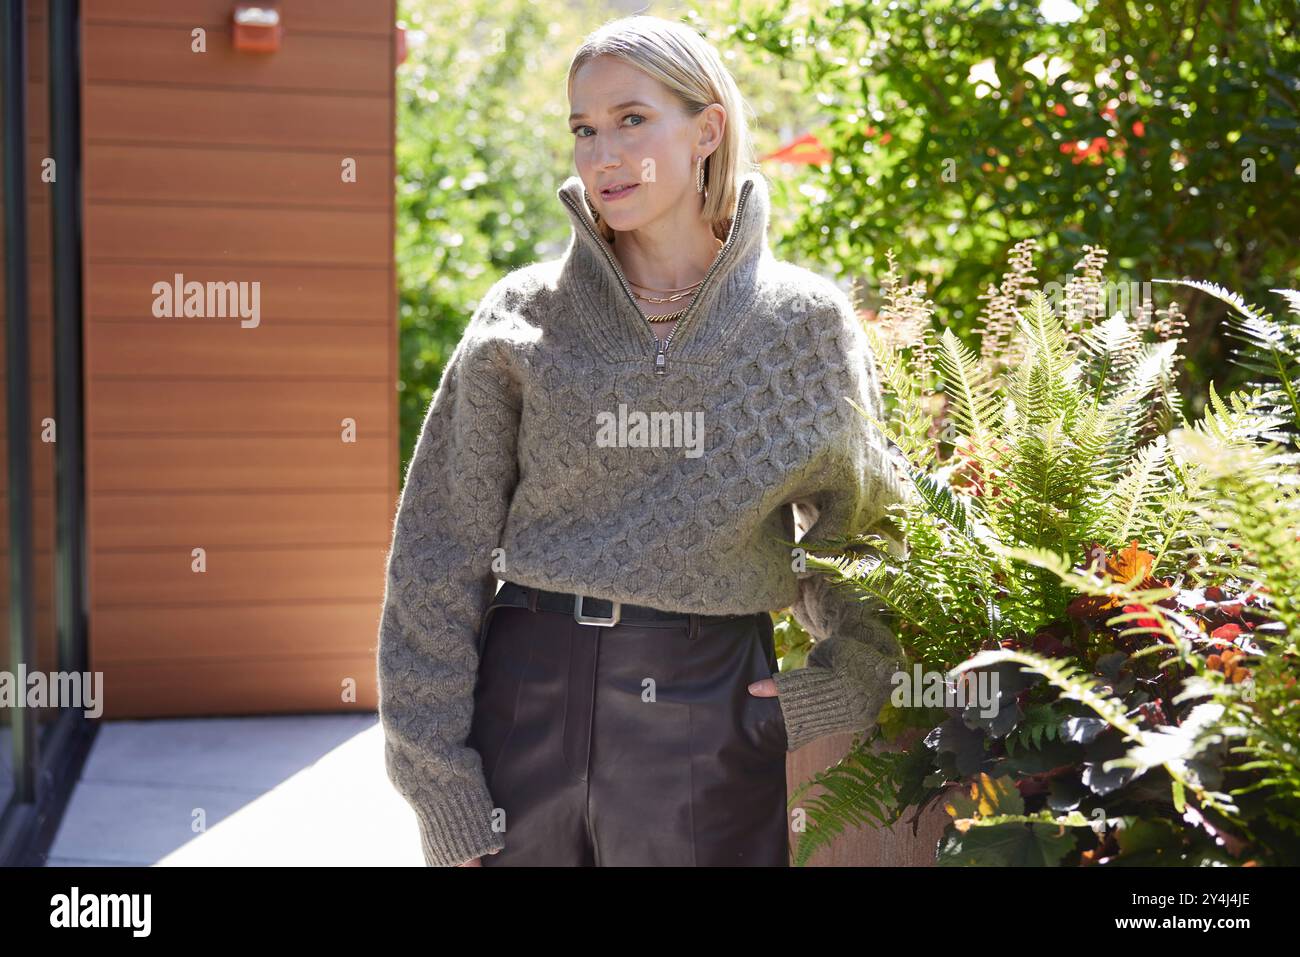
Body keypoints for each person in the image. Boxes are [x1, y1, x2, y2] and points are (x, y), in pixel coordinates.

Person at [375, 13, 909, 867]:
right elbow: (437, 554)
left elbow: (871, 527)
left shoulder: (804, 326)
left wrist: (847, 678)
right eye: (584, 129)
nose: (602, 155)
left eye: (631, 120)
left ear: (707, 130)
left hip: (709, 706)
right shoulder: (521, 315)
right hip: (525, 700)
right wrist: (438, 781)